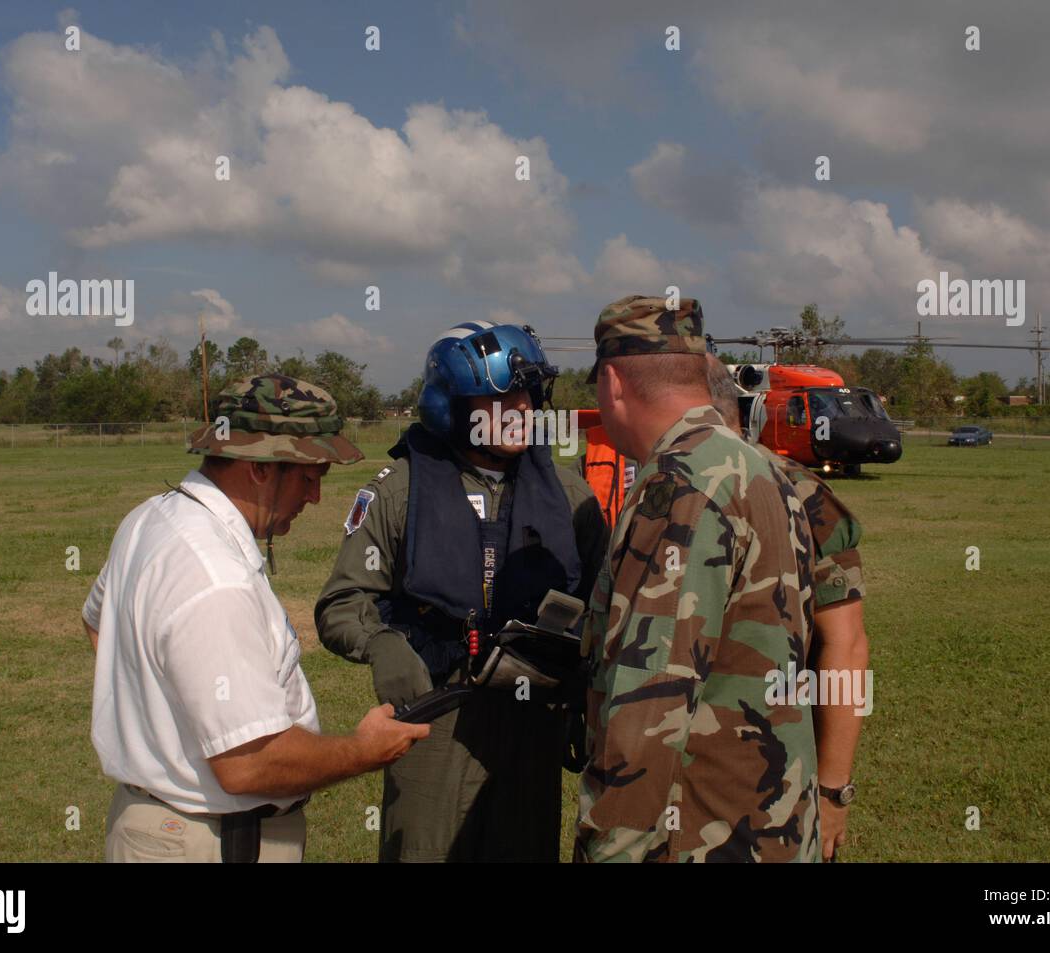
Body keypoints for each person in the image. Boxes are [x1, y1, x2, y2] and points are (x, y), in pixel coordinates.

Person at [82, 375, 429, 863]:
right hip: (211, 843)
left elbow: (98, 624)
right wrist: (363, 750)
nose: (314, 498)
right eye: (310, 476)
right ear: (261, 468)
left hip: (160, 826)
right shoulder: (214, 577)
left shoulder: (150, 519)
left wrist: (167, 726)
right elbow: (250, 763)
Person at [316, 320, 608, 862]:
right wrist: (381, 644)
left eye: (527, 393)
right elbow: (342, 601)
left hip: (533, 717)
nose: (522, 409)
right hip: (437, 718)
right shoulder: (399, 491)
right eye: (501, 398)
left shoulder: (569, 495)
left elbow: (607, 606)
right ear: (453, 406)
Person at [575, 295, 819, 863]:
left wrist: (612, 849)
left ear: (612, 383)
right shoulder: (762, 468)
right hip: (772, 820)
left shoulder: (678, 488)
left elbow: (650, 700)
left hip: (700, 836)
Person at [705, 355, 870, 861]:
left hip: (775, 786)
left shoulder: (803, 494)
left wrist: (833, 788)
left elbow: (845, 644)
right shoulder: (669, 488)